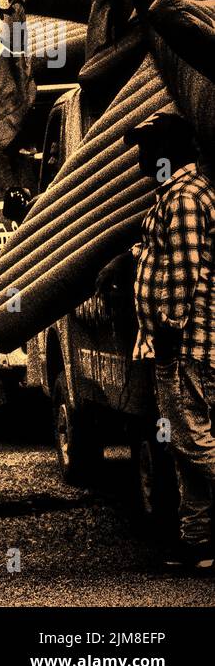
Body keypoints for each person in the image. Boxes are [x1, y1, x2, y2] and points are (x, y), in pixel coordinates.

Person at [126, 111, 215, 571]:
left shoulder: (182, 198)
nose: (140, 157)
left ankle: (197, 538)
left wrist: (167, 328)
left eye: (146, 148)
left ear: (166, 154)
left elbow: (184, 271)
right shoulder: (175, 196)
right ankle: (197, 542)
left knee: (195, 442)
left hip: (186, 343)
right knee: (184, 445)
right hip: (179, 340)